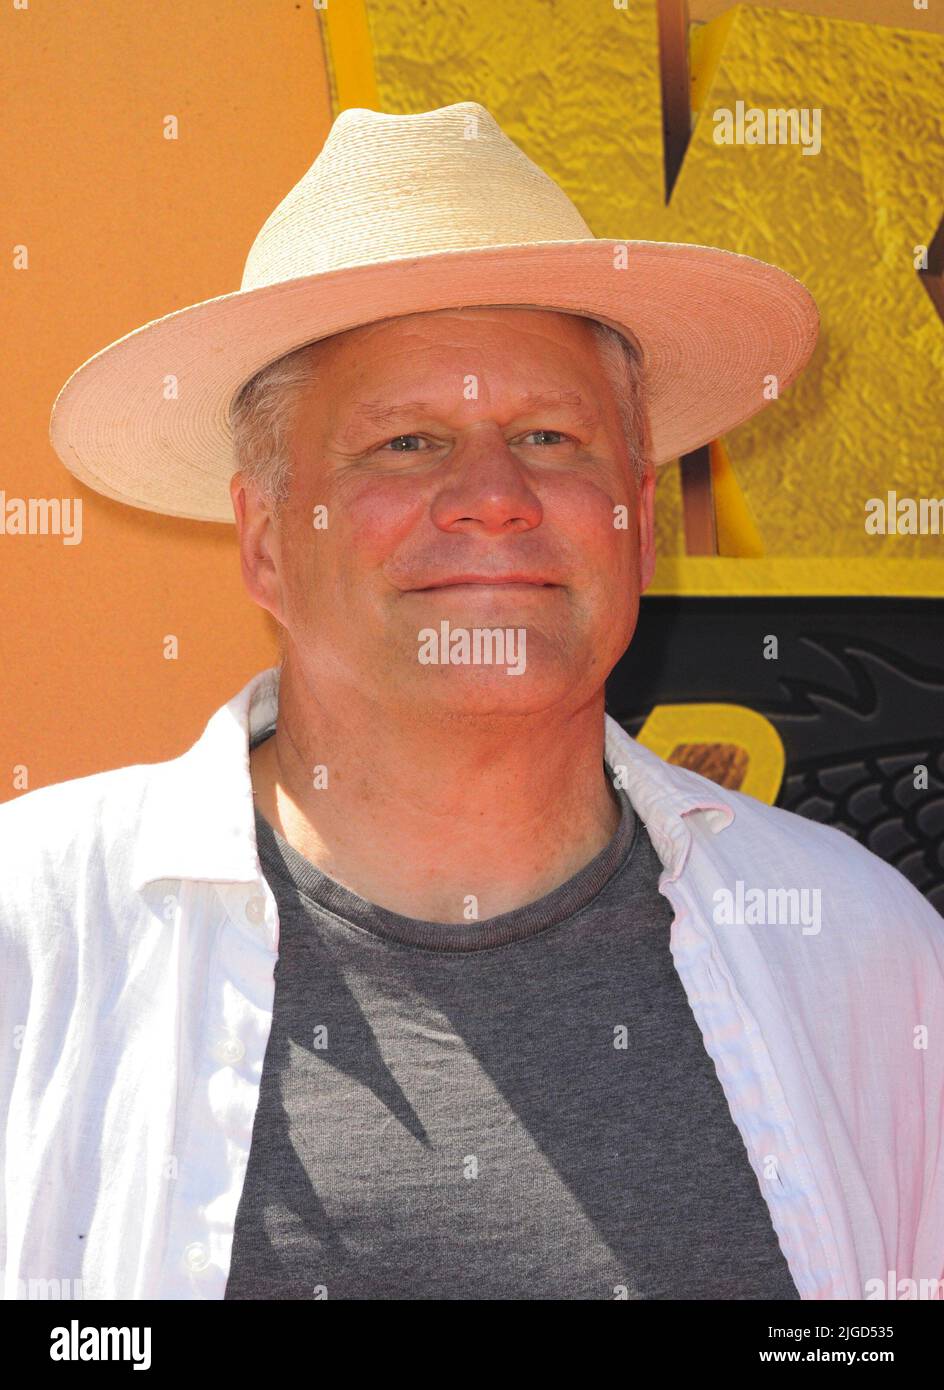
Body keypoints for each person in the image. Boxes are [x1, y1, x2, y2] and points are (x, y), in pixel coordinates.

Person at [2, 101, 942, 1302]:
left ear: (639, 523)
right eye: (403, 445)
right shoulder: (32, 941)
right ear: (264, 543)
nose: (491, 497)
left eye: (549, 435)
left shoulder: (861, 952)